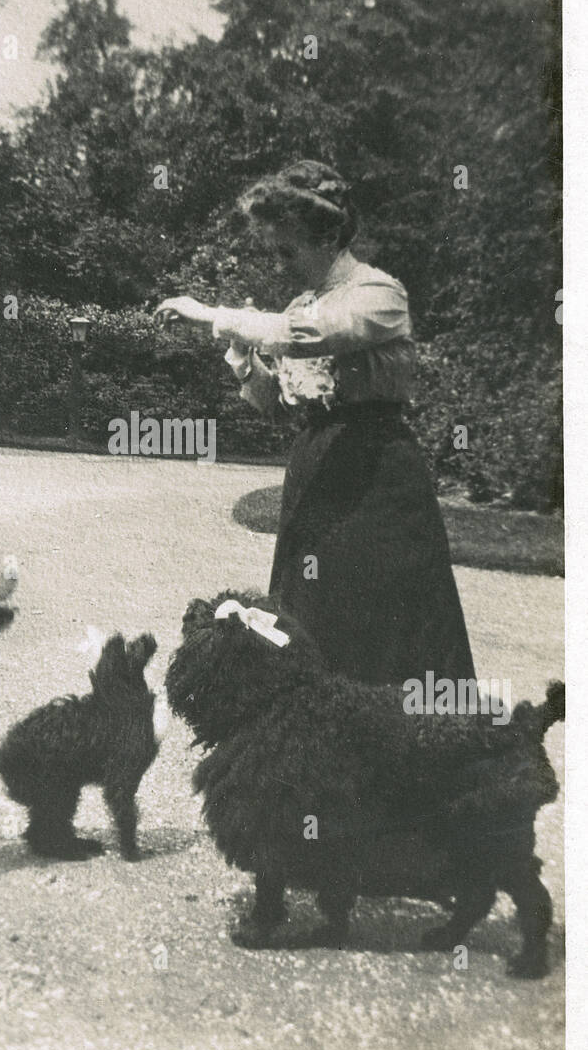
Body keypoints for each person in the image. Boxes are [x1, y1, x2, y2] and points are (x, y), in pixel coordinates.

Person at [155, 158, 475, 687]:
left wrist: (211, 313)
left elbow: (310, 335)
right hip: (316, 466)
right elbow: (281, 404)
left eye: (288, 250)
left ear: (328, 234)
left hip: (378, 472)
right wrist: (242, 357)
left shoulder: (379, 295)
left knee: (390, 613)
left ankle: (410, 750)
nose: (280, 264)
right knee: (314, 610)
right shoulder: (301, 305)